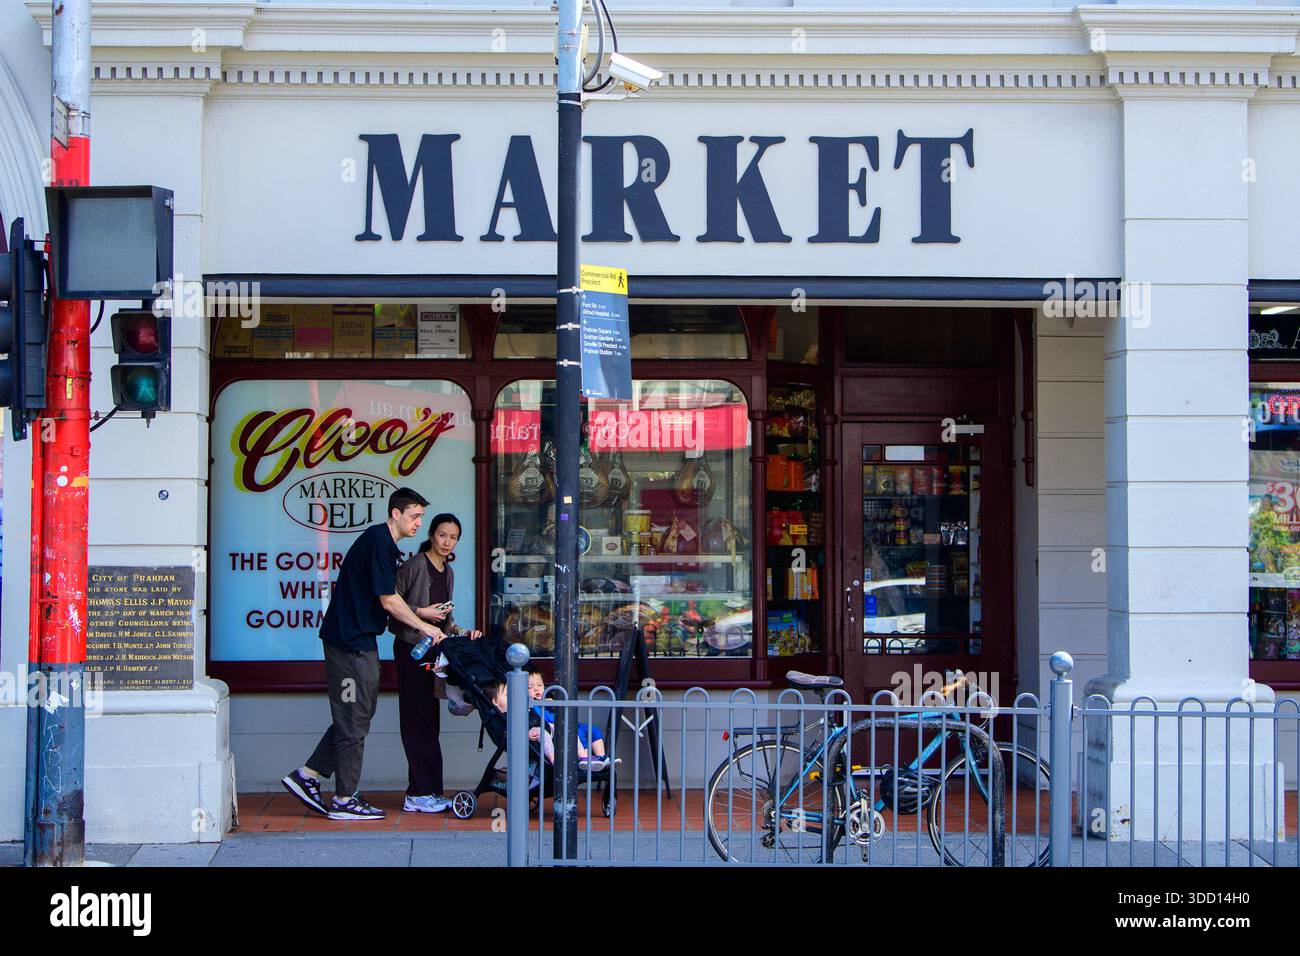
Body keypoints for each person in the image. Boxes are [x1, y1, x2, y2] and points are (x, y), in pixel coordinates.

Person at [280, 487, 444, 821]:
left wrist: (420, 614)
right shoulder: (379, 542)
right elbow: (388, 600)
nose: (418, 523)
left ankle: (309, 775)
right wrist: (424, 627)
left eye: (421, 517)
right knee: (355, 717)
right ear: (395, 513)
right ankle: (343, 798)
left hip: (359, 640)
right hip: (349, 644)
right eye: (414, 516)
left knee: (356, 715)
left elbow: (387, 598)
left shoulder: (383, 544)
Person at [389, 513, 481, 814]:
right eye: (442, 534)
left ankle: (429, 791)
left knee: (429, 719)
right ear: (431, 534)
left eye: (453, 537)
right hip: (412, 649)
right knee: (416, 719)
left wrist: (460, 632)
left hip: (436, 651)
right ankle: (418, 792)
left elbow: (446, 616)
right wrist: (421, 613)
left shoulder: (448, 571)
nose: (447, 541)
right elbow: (390, 604)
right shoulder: (414, 565)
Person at [526, 669, 618, 772]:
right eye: (530, 687)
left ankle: (601, 757)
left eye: (539, 685)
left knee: (593, 729)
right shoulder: (530, 706)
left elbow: (563, 712)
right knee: (577, 732)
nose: (536, 689)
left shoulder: (549, 700)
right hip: (555, 729)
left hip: (566, 723)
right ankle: (585, 759)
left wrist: (553, 704)